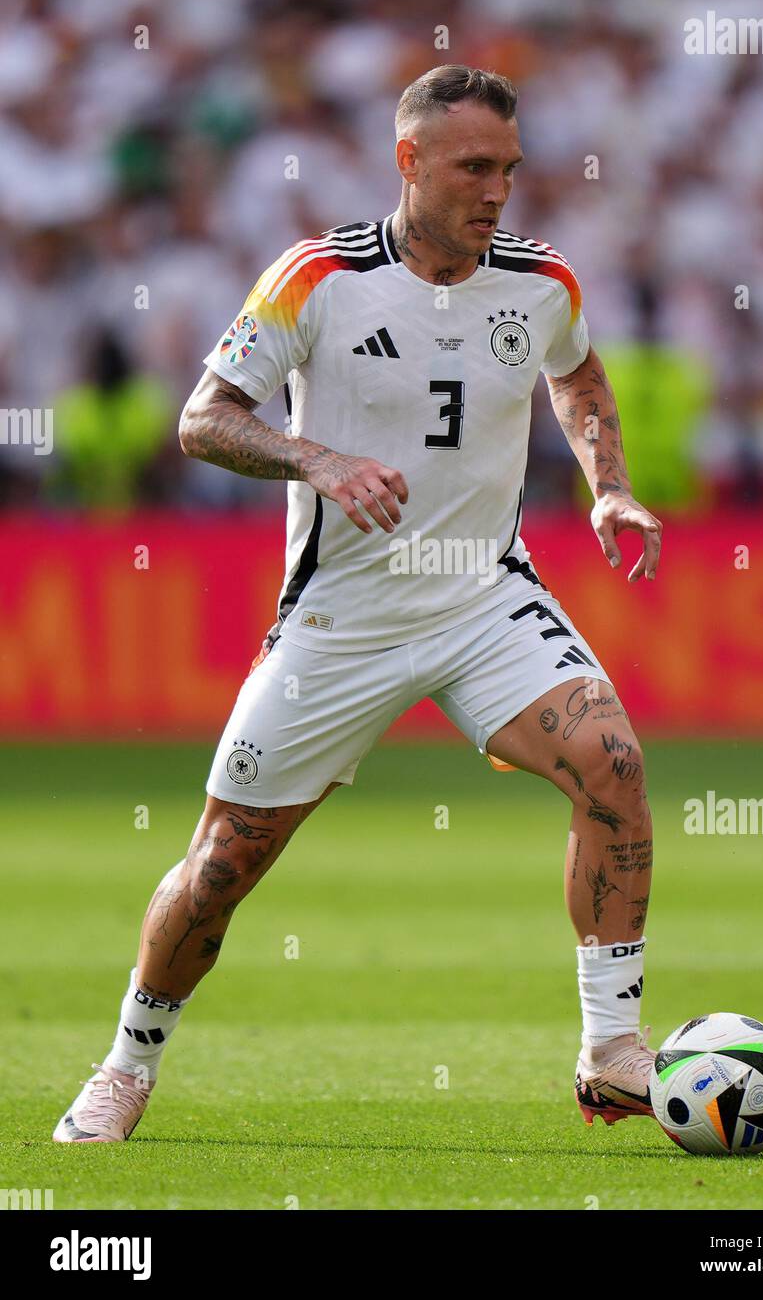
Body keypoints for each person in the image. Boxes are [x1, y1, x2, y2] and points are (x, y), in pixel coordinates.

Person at [54, 65, 663, 1144]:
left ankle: (611, 1047)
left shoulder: (540, 281)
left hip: (484, 596)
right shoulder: (317, 276)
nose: (497, 191)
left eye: (509, 170)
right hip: (343, 616)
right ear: (409, 162)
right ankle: (126, 1063)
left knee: (613, 764)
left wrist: (607, 483)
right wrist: (317, 459)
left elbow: (577, 375)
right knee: (222, 864)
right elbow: (204, 419)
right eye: (474, 167)